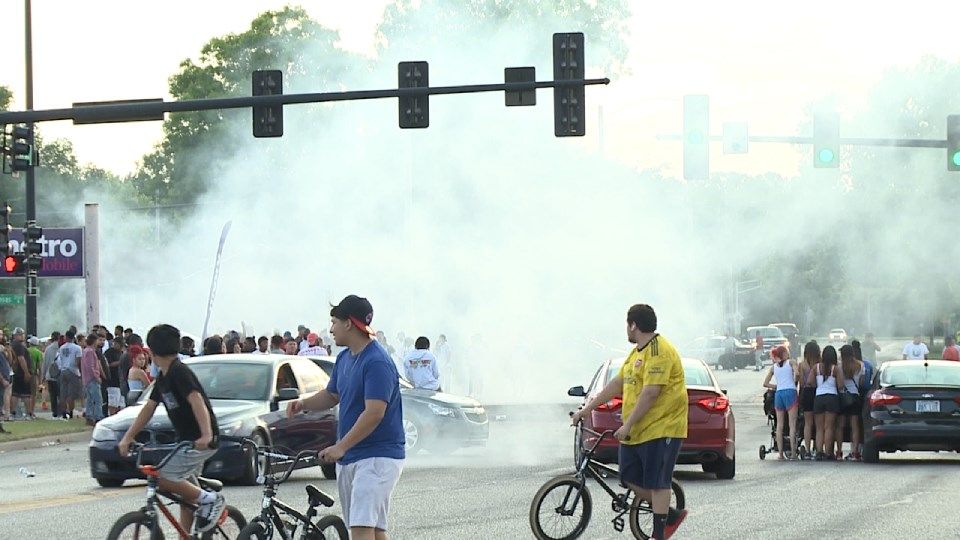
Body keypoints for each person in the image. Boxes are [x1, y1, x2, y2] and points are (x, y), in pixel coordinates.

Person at [287, 295, 405, 540]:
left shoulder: (377, 362)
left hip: (377, 457)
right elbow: (332, 395)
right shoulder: (344, 357)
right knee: (374, 529)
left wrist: (340, 446)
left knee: (361, 529)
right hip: (353, 457)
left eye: (334, 322)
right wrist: (303, 404)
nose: (331, 329)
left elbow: (374, 413)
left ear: (349, 323)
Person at [571, 304, 688, 540]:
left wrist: (628, 425)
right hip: (638, 429)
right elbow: (616, 385)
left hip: (662, 427)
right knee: (627, 477)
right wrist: (586, 410)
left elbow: (651, 393)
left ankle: (659, 533)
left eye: (627, 325)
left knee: (658, 483)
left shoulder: (659, 351)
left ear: (634, 325)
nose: (626, 330)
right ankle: (672, 514)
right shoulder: (636, 353)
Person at [118, 324, 225, 534]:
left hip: (200, 441)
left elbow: (197, 401)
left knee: (164, 478)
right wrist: (128, 437)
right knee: (187, 494)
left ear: (151, 351)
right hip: (186, 441)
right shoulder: (164, 378)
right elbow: (148, 409)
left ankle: (211, 500)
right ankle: (186, 534)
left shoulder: (179, 372)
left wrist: (206, 434)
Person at [763, 345, 799, 460]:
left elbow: (765, 383)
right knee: (792, 424)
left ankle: (780, 454)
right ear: (785, 354)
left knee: (779, 425)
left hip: (779, 394)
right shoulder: (791, 362)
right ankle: (793, 453)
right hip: (790, 392)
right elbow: (797, 373)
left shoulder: (774, 367)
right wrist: (794, 381)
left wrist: (777, 386)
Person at [813, 345, 844, 461]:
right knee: (829, 427)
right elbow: (841, 385)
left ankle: (819, 452)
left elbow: (810, 382)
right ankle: (828, 453)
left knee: (819, 428)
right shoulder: (835, 369)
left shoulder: (816, 368)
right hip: (832, 398)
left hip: (819, 397)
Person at [836, 344, 864, 461]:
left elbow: (839, 383)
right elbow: (861, 383)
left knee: (840, 426)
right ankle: (855, 452)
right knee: (855, 426)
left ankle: (839, 452)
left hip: (843, 397)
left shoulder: (840, 366)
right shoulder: (860, 365)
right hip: (855, 397)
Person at [798, 341, 820, 458]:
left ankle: (807, 450)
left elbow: (801, 382)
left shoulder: (802, 365)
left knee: (808, 423)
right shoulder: (819, 364)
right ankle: (817, 447)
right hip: (817, 392)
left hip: (806, 393)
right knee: (817, 423)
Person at [57, 330, 84, 419]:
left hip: (63, 370)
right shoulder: (77, 348)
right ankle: (71, 411)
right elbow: (78, 361)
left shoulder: (61, 348)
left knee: (63, 393)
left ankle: (64, 412)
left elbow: (60, 359)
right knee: (71, 394)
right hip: (73, 370)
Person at [81, 334, 104, 425]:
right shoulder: (90, 351)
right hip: (92, 379)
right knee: (98, 399)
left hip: (87, 379)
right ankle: (98, 417)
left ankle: (89, 416)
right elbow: (90, 366)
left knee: (90, 400)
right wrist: (96, 377)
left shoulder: (85, 351)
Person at [42, 332, 62, 418]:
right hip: (60, 374)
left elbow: (45, 363)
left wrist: (43, 375)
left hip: (50, 374)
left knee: (53, 395)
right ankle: (61, 411)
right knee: (61, 394)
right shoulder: (61, 348)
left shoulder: (48, 349)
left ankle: (54, 412)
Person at [105, 337, 125, 415]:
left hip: (120, 381)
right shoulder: (109, 352)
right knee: (113, 403)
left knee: (121, 403)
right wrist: (120, 362)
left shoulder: (121, 353)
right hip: (112, 380)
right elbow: (108, 364)